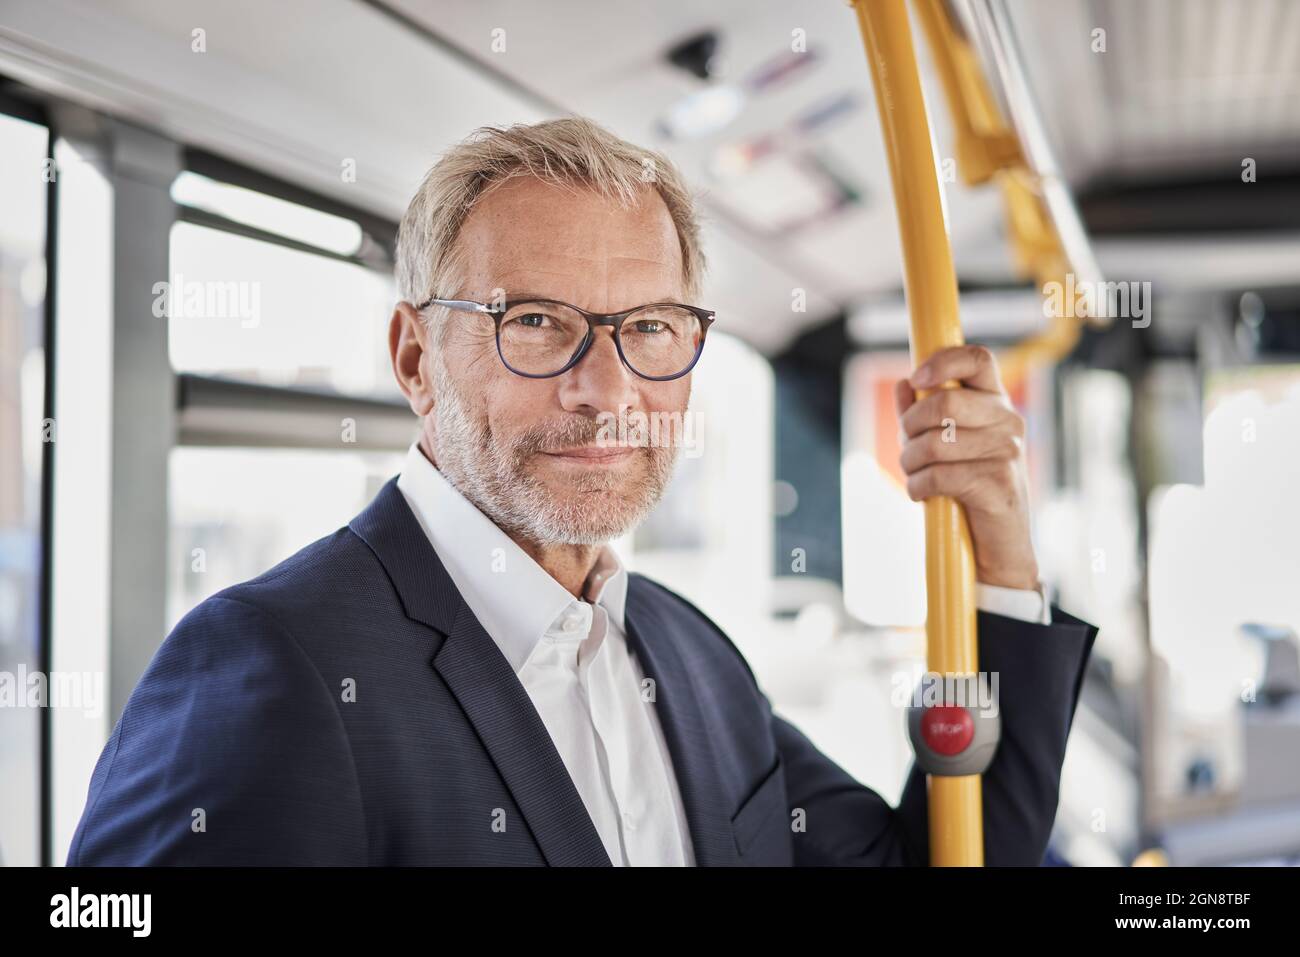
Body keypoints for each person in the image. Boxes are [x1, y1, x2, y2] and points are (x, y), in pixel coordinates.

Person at [69, 117, 1096, 866]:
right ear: (417, 358)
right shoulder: (269, 668)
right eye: (535, 322)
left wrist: (999, 554)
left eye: (648, 327)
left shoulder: (690, 656)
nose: (605, 390)